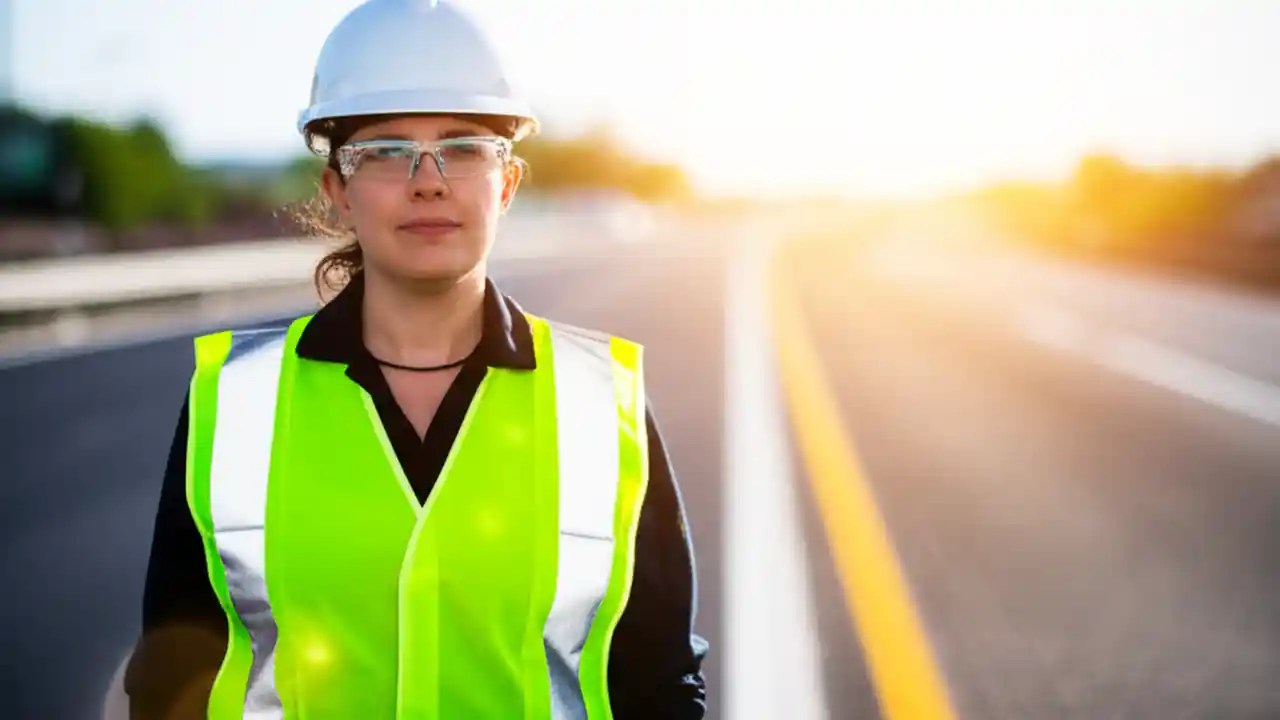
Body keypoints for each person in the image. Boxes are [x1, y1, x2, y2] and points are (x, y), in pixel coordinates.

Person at [122, 0, 708, 717]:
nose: (428, 179)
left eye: (464, 147)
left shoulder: (599, 403)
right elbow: (168, 682)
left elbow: (659, 682)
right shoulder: (236, 401)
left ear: (509, 183)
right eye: (386, 152)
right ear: (336, 189)